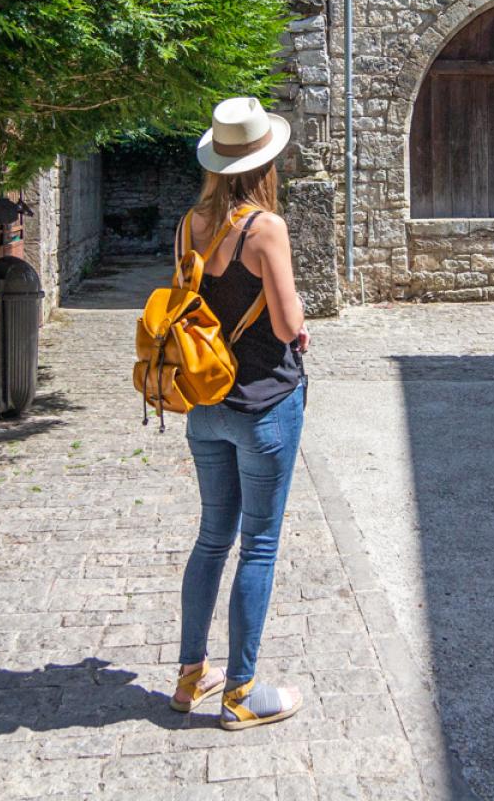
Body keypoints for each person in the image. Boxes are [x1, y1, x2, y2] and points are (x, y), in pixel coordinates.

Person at [169, 96, 310, 730]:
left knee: (210, 538)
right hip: (264, 405)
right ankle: (242, 692)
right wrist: (300, 318)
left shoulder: (186, 224)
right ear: (264, 164)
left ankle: (190, 676)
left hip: (205, 405)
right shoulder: (265, 229)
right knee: (258, 545)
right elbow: (287, 323)